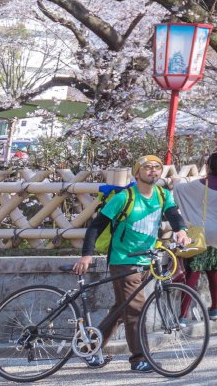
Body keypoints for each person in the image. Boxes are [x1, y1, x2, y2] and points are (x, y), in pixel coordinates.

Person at [73, 153, 191, 372]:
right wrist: (87, 255)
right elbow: (96, 226)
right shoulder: (124, 198)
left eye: (157, 167)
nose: (153, 170)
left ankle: (89, 348)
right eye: (147, 167)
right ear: (137, 173)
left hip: (147, 260)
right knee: (136, 308)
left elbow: (173, 214)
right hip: (123, 261)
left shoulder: (163, 194)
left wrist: (181, 231)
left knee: (122, 309)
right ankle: (139, 358)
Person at [175, 151, 217, 318]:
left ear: (208, 166)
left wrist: (175, 180)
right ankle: (215, 309)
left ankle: (183, 315)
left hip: (202, 233)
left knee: (193, 273)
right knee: (213, 270)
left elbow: (178, 190)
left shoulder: (199, 184)